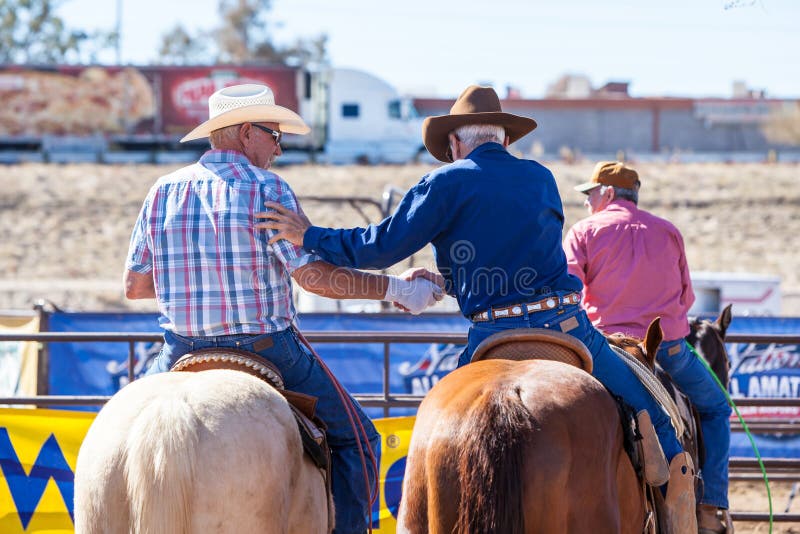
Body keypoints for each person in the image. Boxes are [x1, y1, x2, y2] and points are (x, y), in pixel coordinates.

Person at [257, 85, 696, 527]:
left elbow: (379, 247)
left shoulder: (443, 183)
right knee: (656, 422)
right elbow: (525, 261)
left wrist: (310, 235)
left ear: (454, 142)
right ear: (503, 138)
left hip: (491, 332)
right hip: (565, 326)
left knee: (443, 427)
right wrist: (452, 281)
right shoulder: (541, 178)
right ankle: (681, 513)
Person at [123, 83, 441, 534]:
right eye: (275, 136)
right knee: (359, 439)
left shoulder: (162, 191)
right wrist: (397, 290)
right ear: (247, 133)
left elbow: (135, 286)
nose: (279, 148)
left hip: (181, 350)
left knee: (123, 433)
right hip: (268, 348)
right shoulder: (267, 188)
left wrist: (198, 279)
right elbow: (314, 279)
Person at [563, 161, 732, 533]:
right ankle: (709, 507)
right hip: (666, 348)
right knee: (717, 408)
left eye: (590, 194)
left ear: (608, 193)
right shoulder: (668, 231)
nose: (587, 201)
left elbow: (569, 288)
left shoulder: (584, 231)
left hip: (604, 349)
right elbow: (686, 297)